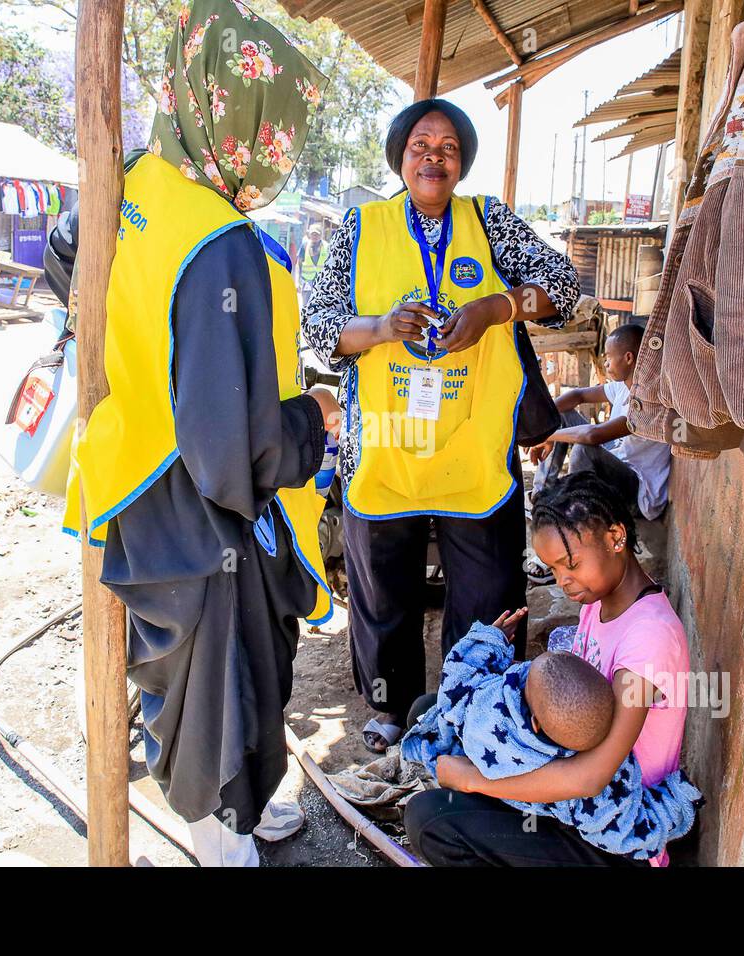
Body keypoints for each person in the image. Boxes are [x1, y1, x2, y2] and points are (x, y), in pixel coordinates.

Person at [60, 0, 337, 867]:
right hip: (197, 507)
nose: (280, 155)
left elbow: (66, 256)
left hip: (130, 479)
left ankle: (238, 820)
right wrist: (311, 424)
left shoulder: (135, 181)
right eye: (279, 133)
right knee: (224, 691)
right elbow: (237, 453)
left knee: (174, 676)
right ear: (246, 120)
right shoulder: (223, 244)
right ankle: (223, 841)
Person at [302, 98, 580, 753]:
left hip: (473, 448)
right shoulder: (361, 226)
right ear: (400, 157)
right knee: (384, 596)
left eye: (449, 147)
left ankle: (471, 706)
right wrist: (377, 328)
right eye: (421, 144)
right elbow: (315, 327)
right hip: (384, 452)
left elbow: (563, 286)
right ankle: (392, 708)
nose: (434, 156)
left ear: (462, 164)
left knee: (486, 594)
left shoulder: (488, 220)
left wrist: (496, 306)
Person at [403, 471, 692, 866]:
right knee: (428, 710)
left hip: (610, 829)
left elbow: (593, 777)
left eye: (570, 564)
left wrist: (474, 778)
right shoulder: (600, 601)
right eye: (554, 570)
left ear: (615, 537)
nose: (563, 582)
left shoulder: (649, 642)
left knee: (428, 820)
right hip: (571, 777)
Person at [401, 610, 699, 862]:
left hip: (549, 798)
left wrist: (490, 640)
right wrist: (672, 805)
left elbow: (459, 675)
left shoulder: (490, 714)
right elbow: (619, 825)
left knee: (427, 818)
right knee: (425, 709)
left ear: (534, 723)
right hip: (553, 794)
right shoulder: (598, 757)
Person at [529, 323, 671, 522]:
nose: (605, 364)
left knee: (583, 449)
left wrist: (546, 435)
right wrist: (540, 422)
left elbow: (593, 435)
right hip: (616, 462)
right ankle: (542, 496)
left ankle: (573, 516)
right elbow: (578, 395)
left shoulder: (649, 400)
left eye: (608, 358)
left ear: (628, 358)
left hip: (637, 493)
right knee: (560, 417)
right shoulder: (624, 386)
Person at [294, 222, 328, 306]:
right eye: (313, 234)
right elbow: (298, 264)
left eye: (317, 234)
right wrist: (297, 282)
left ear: (321, 235)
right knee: (306, 305)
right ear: (309, 234)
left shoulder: (327, 247)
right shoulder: (305, 245)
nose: (315, 236)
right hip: (307, 281)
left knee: (321, 305)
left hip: (322, 282)